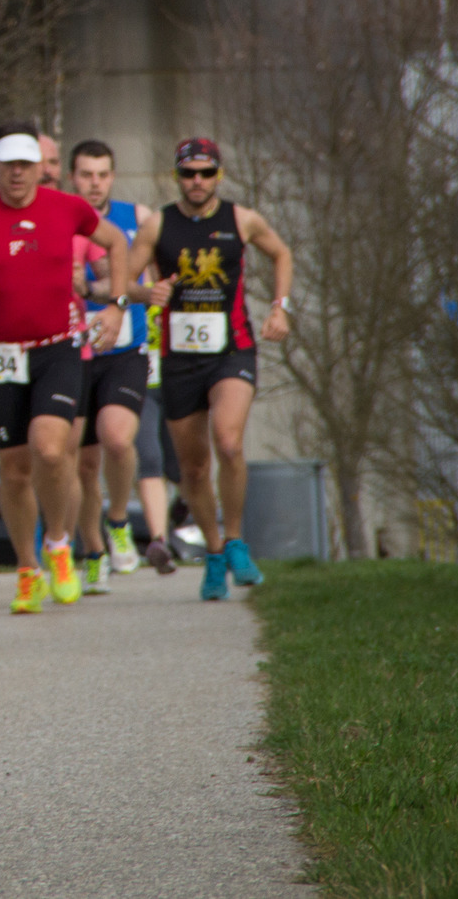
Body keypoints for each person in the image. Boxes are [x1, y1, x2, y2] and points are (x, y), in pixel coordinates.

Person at [0, 125, 129, 613]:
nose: (16, 173)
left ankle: (58, 544)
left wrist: (116, 305)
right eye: (7, 163)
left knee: (51, 450)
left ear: (40, 167)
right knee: (13, 471)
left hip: (57, 348)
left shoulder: (66, 208)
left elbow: (117, 244)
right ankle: (27, 568)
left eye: (25, 164)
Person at [125, 138, 293, 601]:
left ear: (218, 175)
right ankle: (214, 555)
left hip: (232, 351)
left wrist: (280, 308)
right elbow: (125, 280)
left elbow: (281, 253)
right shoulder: (158, 224)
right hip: (179, 360)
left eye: (205, 173)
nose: (196, 182)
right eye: (188, 174)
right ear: (176, 177)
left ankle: (236, 540)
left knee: (228, 439)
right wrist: (146, 294)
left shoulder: (242, 219)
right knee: (194, 469)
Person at [68, 139, 155, 588]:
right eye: (86, 174)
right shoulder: (60, 216)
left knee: (117, 440)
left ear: (112, 177)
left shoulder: (136, 219)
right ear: (72, 177)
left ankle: (119, 520)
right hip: (75, 352)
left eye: (102, 174)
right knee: (83, 464)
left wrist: (118, 293)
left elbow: (156, 285)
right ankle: (92, 548)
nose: (94, 183)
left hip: (124, 350)